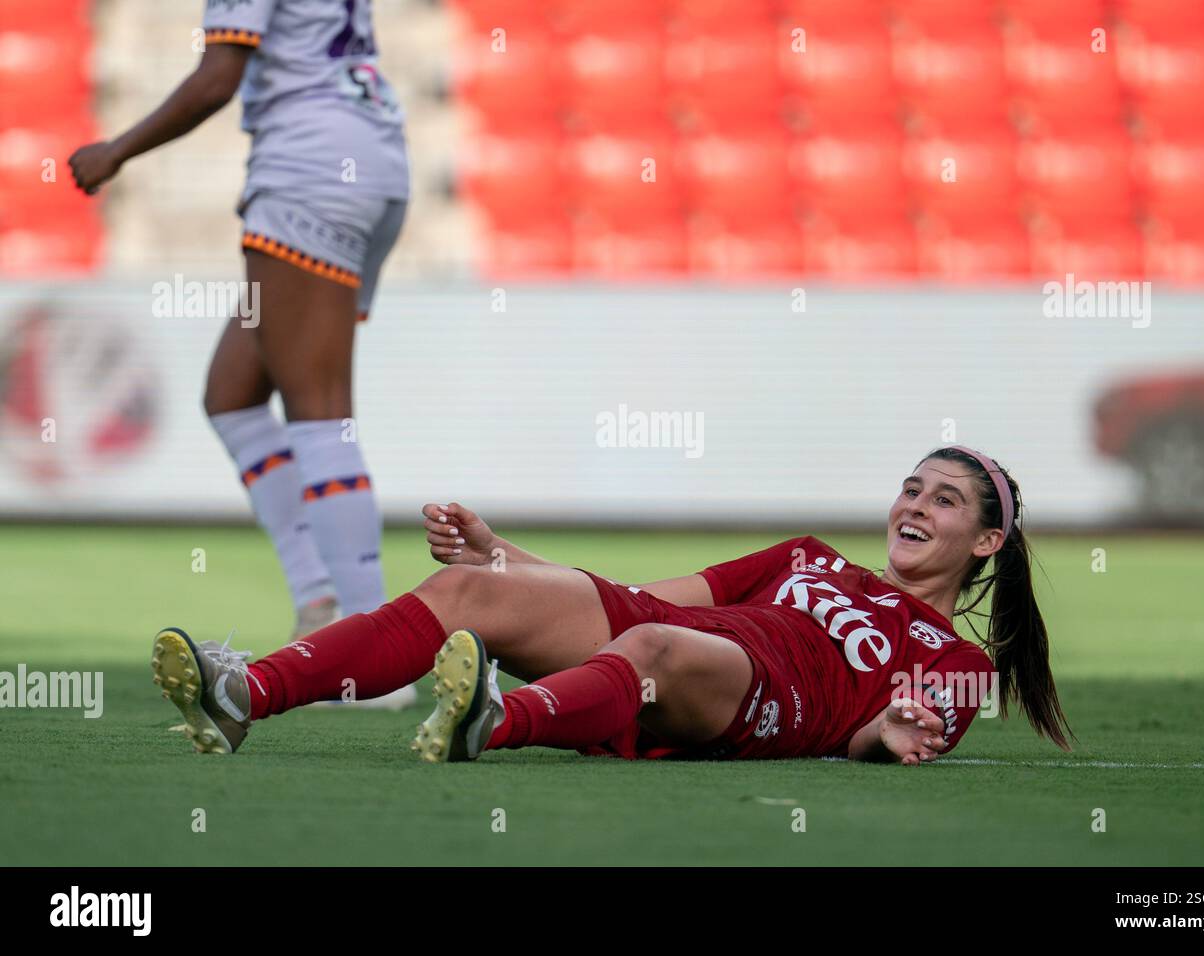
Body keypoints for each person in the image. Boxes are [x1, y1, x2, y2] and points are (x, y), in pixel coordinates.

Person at [150, 446, 1075, 763]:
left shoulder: (956, 663)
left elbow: (882, 738)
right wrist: (501, 556)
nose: (913, 506)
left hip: (754, 698)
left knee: (658, 652)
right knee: (473, 594)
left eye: (943, 500)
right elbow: (634, 598)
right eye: (912, 488)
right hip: (673, 638)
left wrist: (890, 736)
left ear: (987, 542)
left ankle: (495, 723)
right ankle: (246, 694)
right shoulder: (807, 556)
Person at [71, 1, 415, 707]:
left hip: (308, 168)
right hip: (368, 153)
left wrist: (116, 151)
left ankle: (367, 654)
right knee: (232, 395)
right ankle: (321, 606)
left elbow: (217, 79)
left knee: (320, 413)